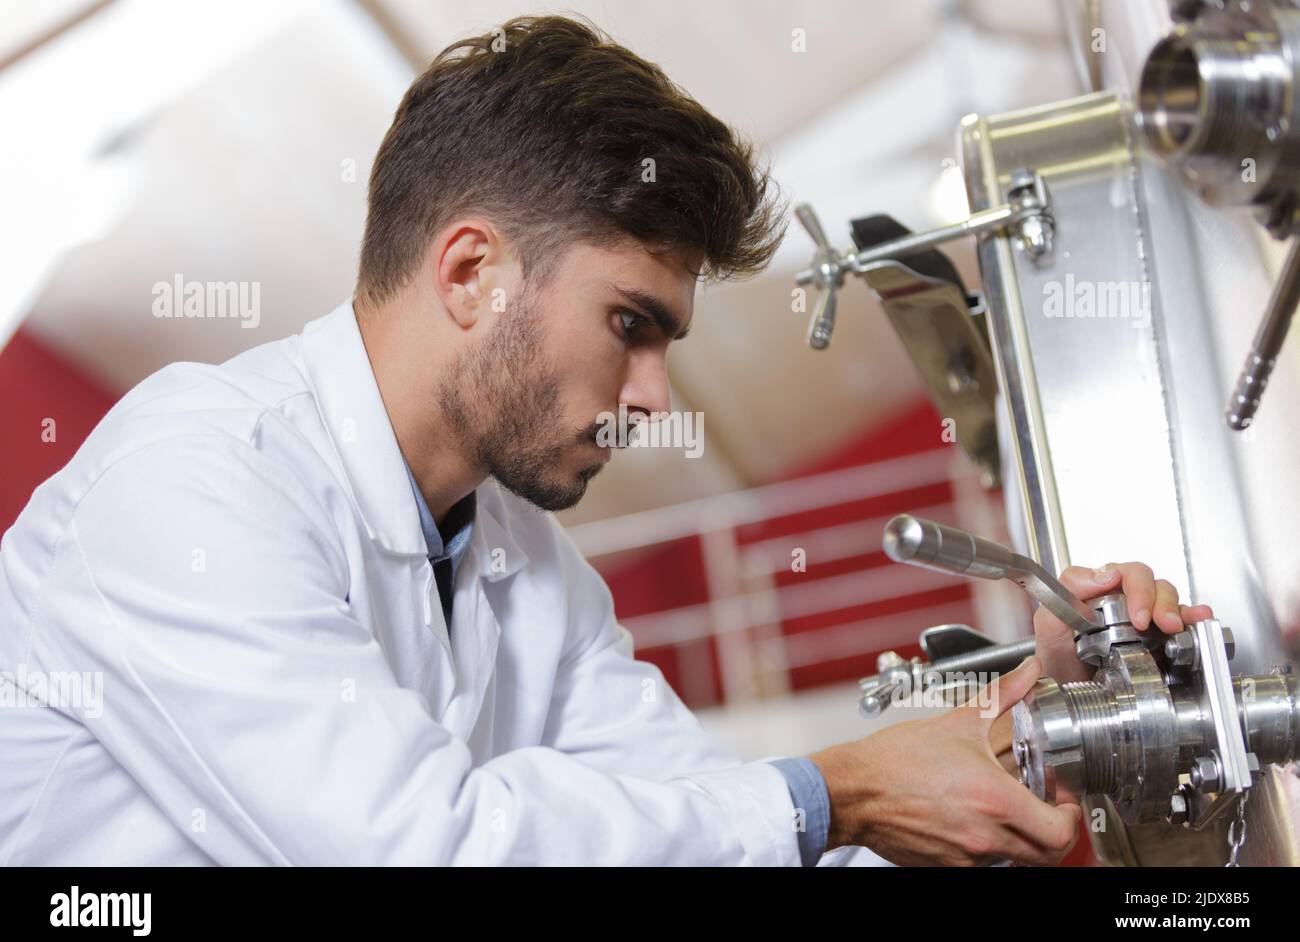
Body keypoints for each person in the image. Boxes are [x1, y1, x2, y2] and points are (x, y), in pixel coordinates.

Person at [0, 15, 1210, 866]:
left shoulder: (523, 563)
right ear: (472, 271)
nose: (650, 394)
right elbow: (417, 851)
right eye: (629, 324)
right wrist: (841, 788)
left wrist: (1038, 714)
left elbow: (730, 834)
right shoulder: (196, 478)